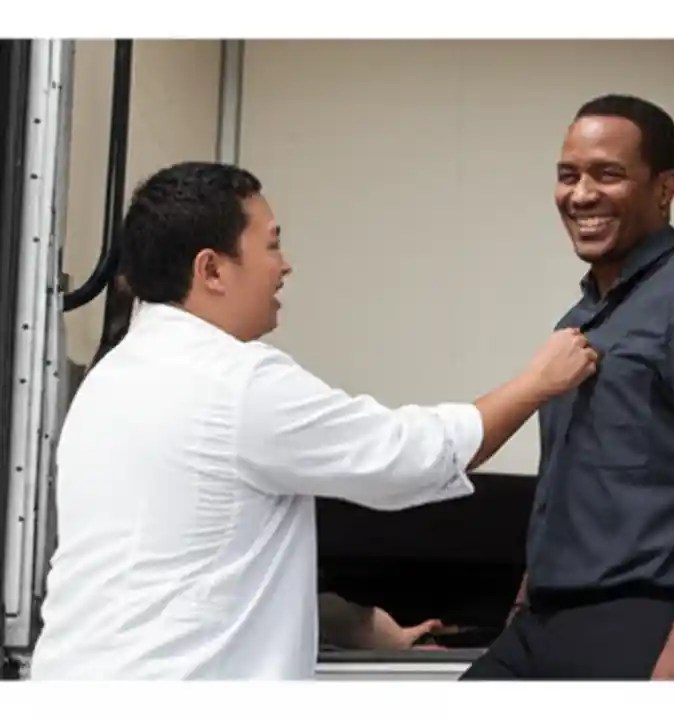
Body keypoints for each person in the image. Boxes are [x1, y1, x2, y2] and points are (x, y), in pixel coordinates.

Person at [29, 161, 598, 680]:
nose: (286, 265)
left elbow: (195, 559)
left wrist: (357, 624)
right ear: (212, 270)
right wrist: (538, 384)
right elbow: (410, 455)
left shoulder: (111, 378)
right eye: (272, 244)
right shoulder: (237, 382)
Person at [461, 94, 674, 681]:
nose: (581, 194)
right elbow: (567, 489)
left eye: (608, 174)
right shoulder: (574, 326)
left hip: (644, 626)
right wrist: (522, 610)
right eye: (568, 175)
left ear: (665, 188)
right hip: (543, 626)